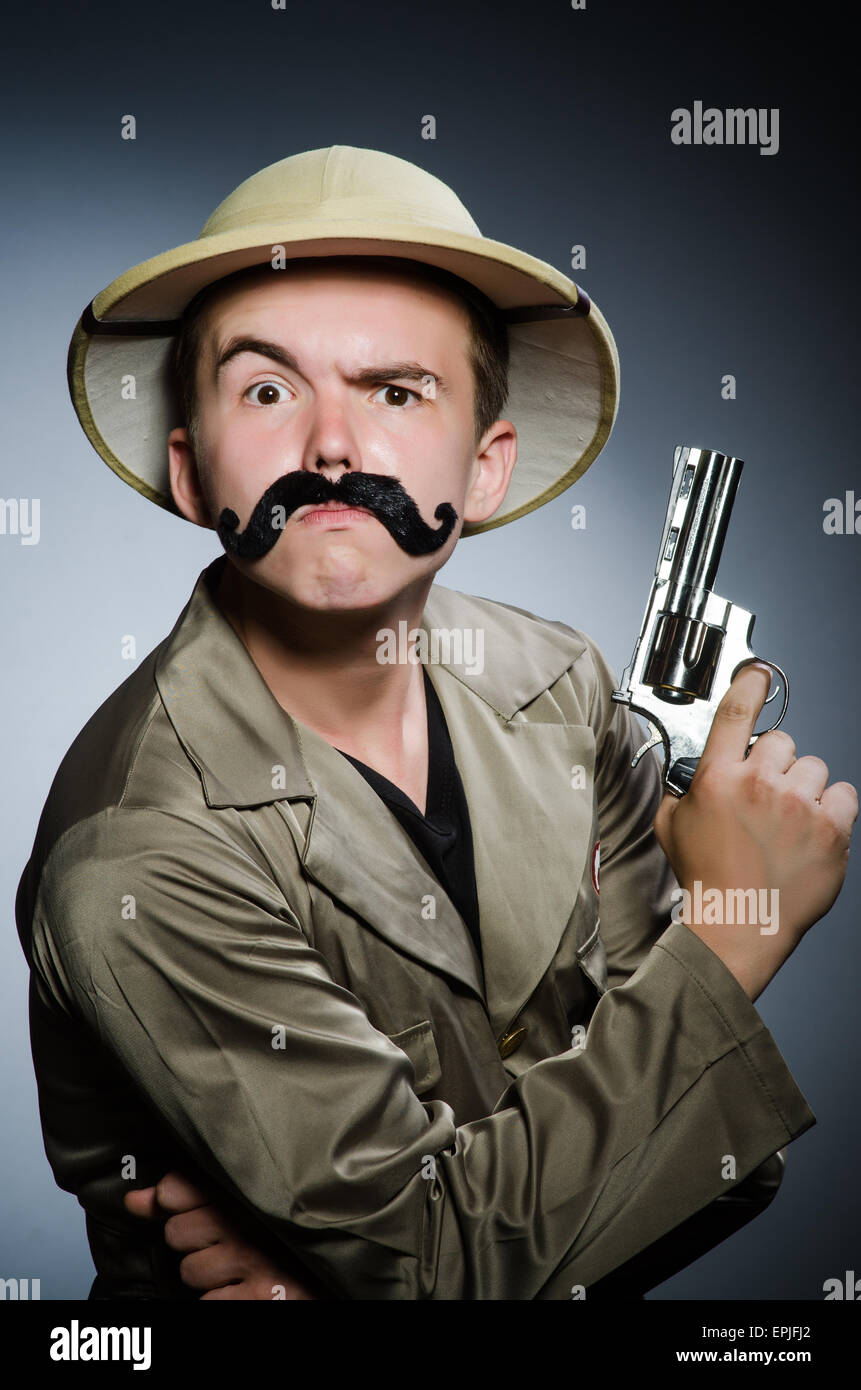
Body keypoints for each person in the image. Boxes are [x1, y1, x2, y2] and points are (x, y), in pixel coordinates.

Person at [16, 146, 855, 1301]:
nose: (333, 447)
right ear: (188, 468)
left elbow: (715, 1165)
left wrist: (382, 1270)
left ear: (488, 466)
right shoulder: (145, 853)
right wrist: (733, 935)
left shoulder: (562, 684)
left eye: (396, 391)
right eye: (267, 389)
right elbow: (478, 1247)